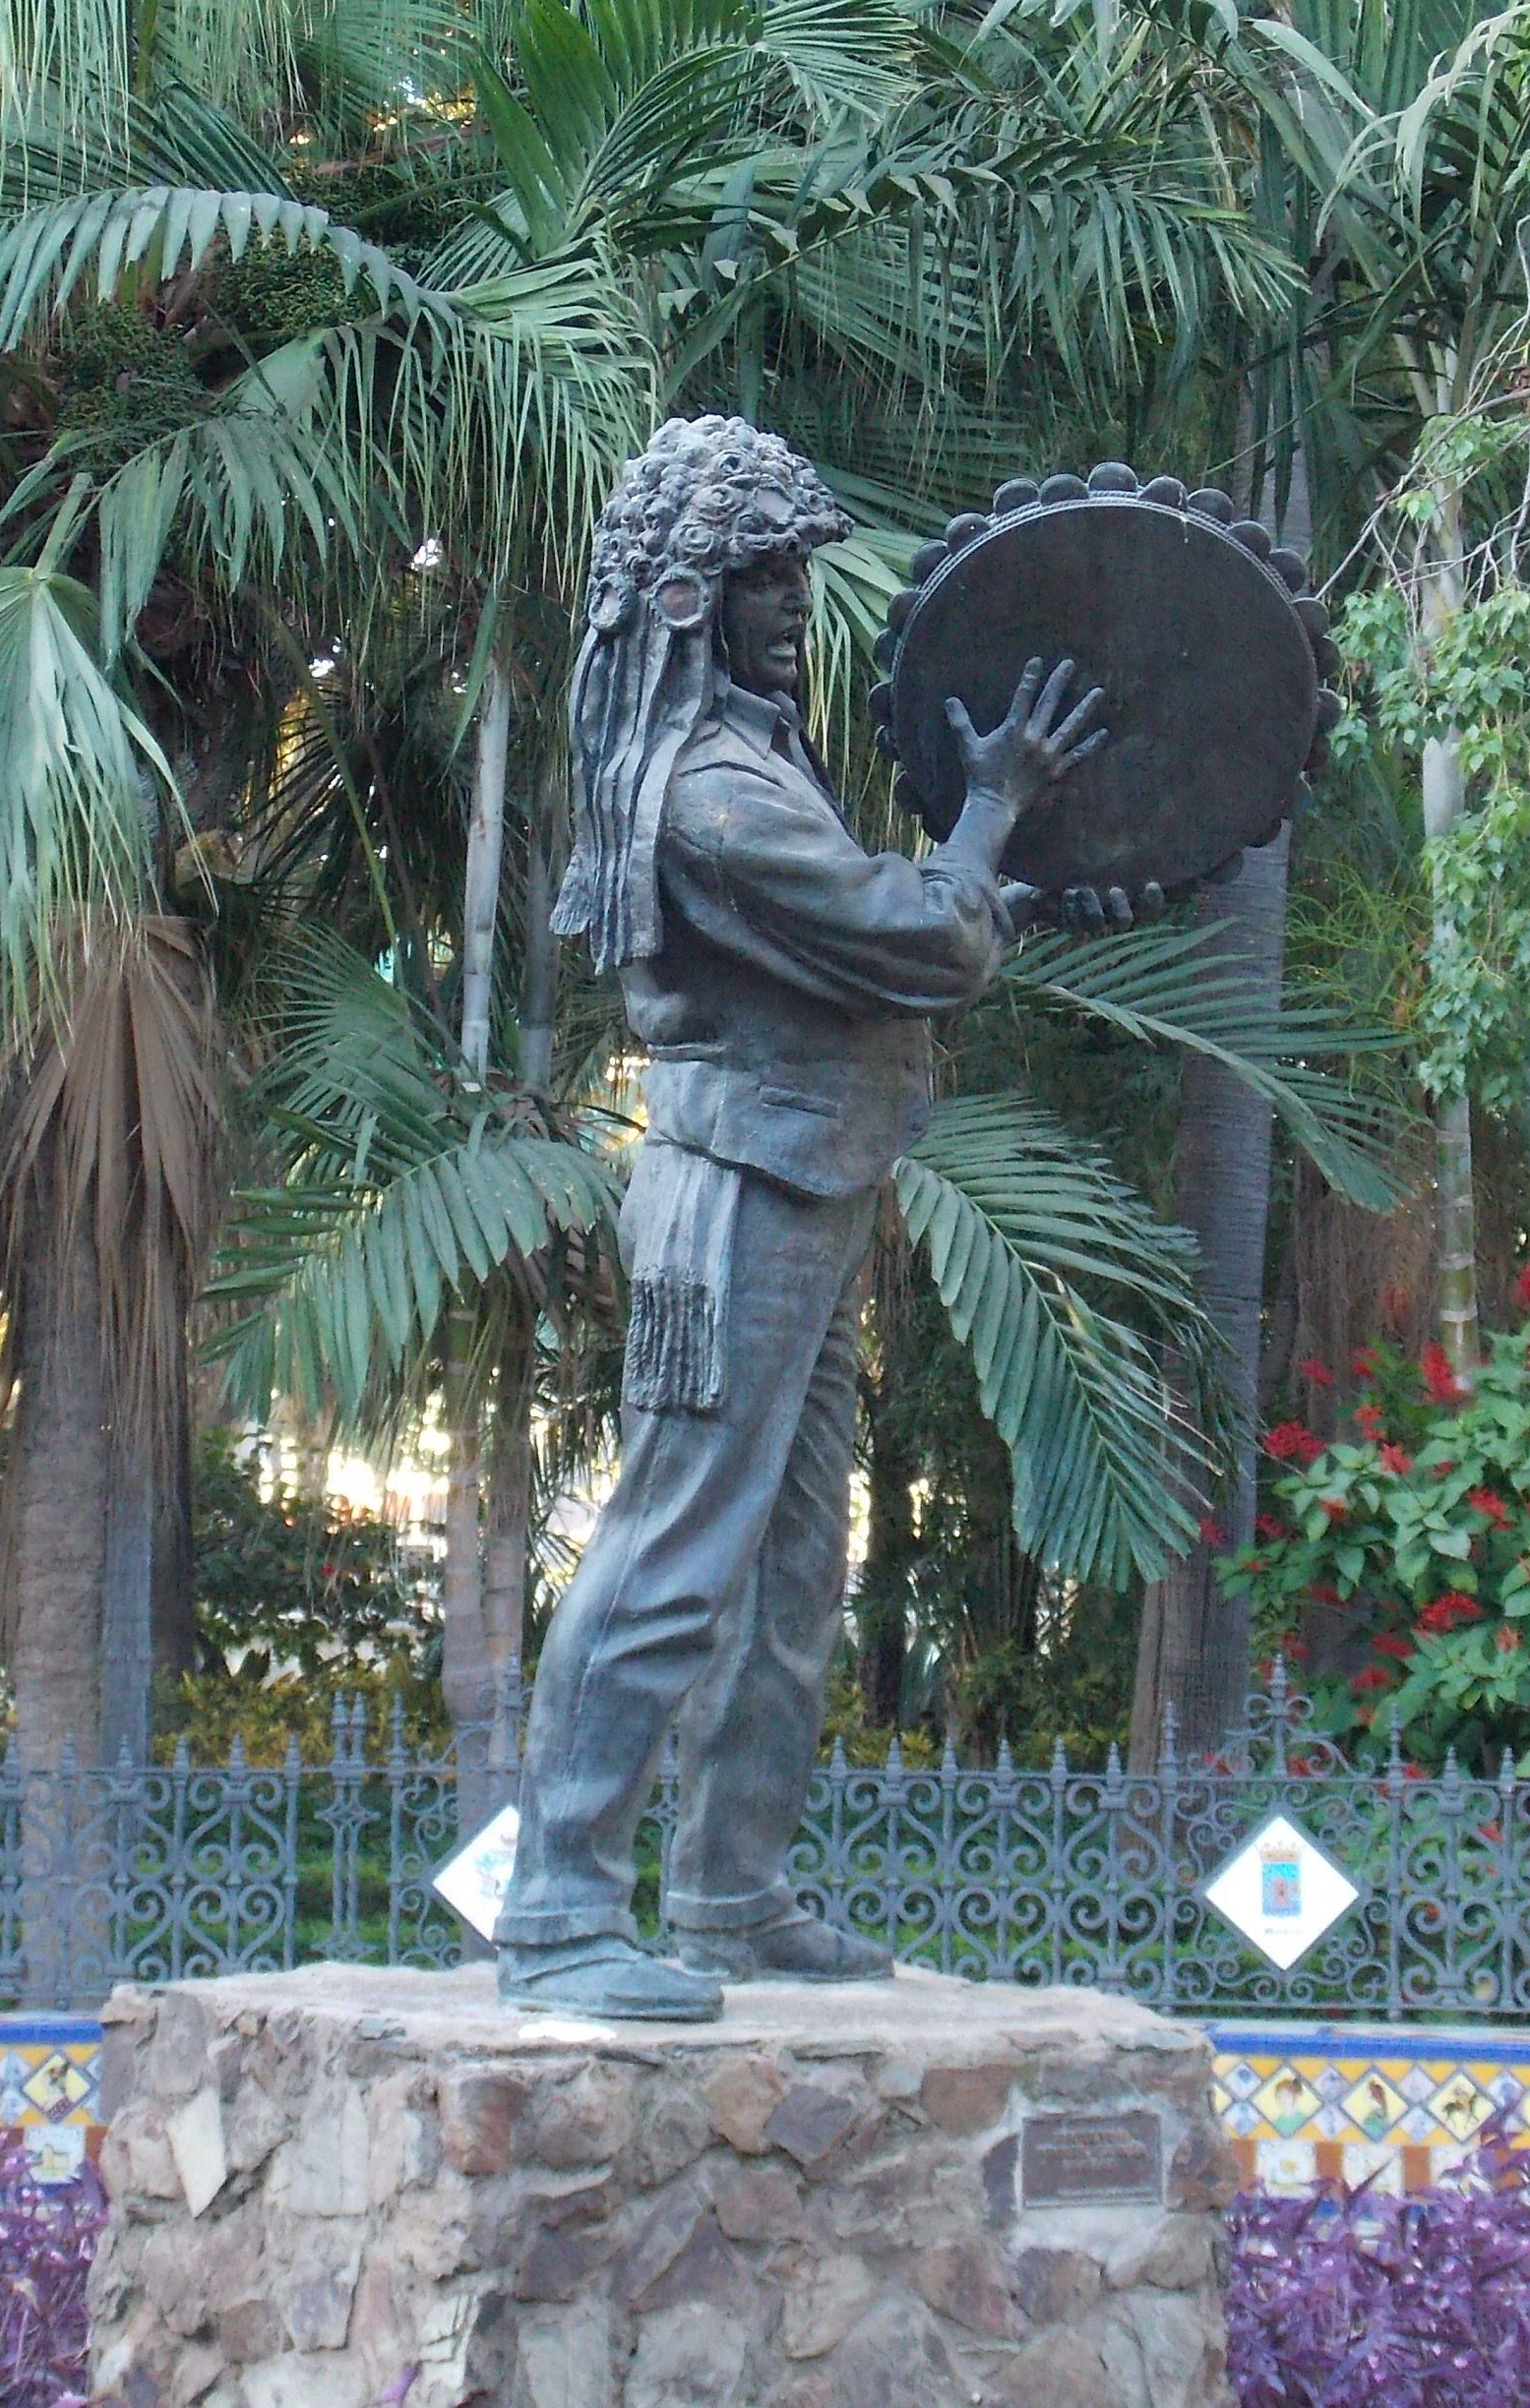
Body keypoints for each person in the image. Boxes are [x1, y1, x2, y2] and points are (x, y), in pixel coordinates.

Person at [494, 416, 1141, 2019]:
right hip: (734, 1207)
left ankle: (725, 1892)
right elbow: (907, 940)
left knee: (788, 1581)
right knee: (671, 1551)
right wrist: (988, 824)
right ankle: (560, 1911)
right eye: (767, 577)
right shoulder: (712, 787)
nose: (798, 604)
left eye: (794, 572)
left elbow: (887, 946)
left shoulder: (751, 753)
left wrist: (1006, 873)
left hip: (808, 1186)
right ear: (695, 597)